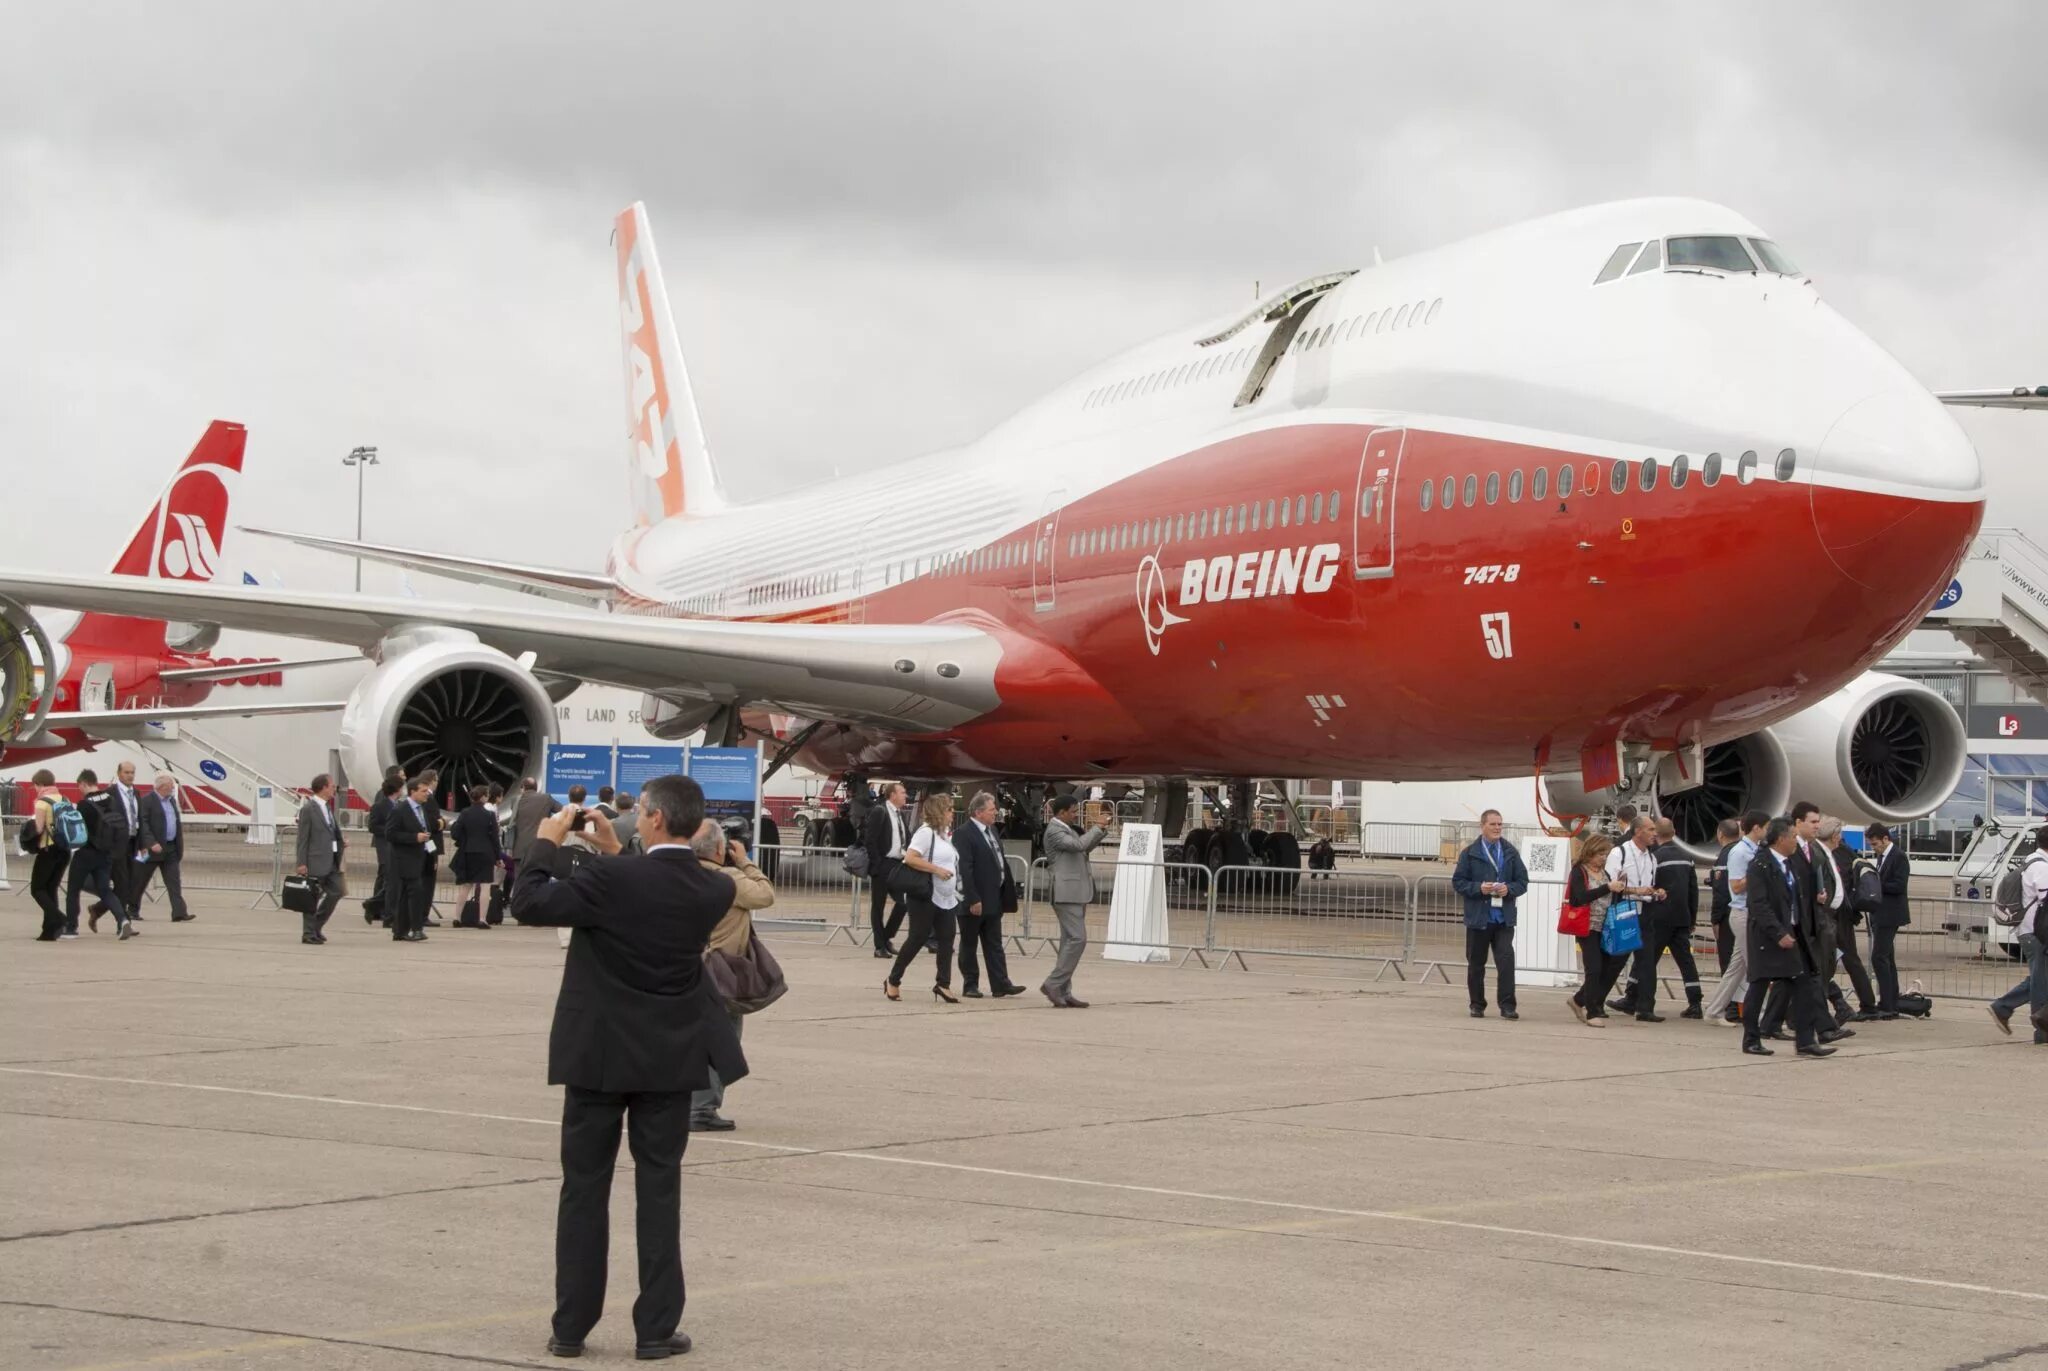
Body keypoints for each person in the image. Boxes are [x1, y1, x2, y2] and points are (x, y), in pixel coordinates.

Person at [511, 774, 743, 1361]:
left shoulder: (609, 880)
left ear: (657, 818)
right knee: (660, 1191)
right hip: (669, 1058)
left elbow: (529, 902)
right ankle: (656, 1328)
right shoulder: (713, 888)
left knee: (584, 1189)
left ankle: (571, 1326)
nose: (636, 817)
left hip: (598, 1055)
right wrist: (616, 854)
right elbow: (653, 890)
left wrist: (547, 840)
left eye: (641, 810)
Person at [688, 818, 778, 1131]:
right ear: (718, 849)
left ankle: (684, 1103)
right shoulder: (728, 880)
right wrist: (744, 862)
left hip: (685, 967)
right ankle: (701, 1109)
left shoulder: (682, 875)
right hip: (720, 969)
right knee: (721, 1039)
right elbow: (764, 895)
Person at [1741, 817, 1833, 1058]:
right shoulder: (1760, 865)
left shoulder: (1790, 864)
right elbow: (1758, 904)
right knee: (1758, 986)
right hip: (1767, 937)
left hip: (1793, 934)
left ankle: (1806, 1041)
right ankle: (1751, 1039)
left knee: (1804, 985)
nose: (1795, 841)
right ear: (1781, 839)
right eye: (1793, 836)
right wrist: (1778, 932)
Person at [1614, 818, 1702, 1021]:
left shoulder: (1654, 858)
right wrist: (1692, 918)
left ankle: (1631, 997)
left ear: (1657, 834)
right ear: (1674, 832)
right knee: (1686, 962)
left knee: (1646, 960)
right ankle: (1695, 1002)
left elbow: (1650, 886)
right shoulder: (1687, 857)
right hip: (1681, 917)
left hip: (1659, 917)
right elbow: (1693, 890)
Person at [884, 793, 962, 1004]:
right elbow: (910, 858)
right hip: (925, 895)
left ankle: (943, 984)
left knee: (947, 939)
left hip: (946, 897)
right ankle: (893, 979)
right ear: (938, 812)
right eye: (949, 809)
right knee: (917, 938)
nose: (953, 813)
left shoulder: (944, 835)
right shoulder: (925, 833)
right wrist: (936, 869)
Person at [1451, 808, 1528, 1019]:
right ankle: (1477, 1004)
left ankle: (1507, 1005)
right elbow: (1458, 882)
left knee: (1506, 963)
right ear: (1482, 826)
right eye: (1493, 824)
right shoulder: (1470, 853)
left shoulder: (1510, 852)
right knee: (1476, 964)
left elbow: (1522, 881)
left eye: (1500, 824)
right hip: (1479, 918)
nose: (1497, 828)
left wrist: (1509, 889)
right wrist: (1478, 888)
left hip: (1503, 919)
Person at [1040, 792, 1109, 1008]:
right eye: (1073, 811)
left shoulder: (1066, 829)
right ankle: (1053, 983)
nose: (1076, 814)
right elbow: (1078, 845)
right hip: (1065, 892)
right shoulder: (1054, 830)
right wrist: (1097, 827)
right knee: (1078, 939)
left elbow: (1083, 847)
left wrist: (1100, 831)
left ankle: (1063, 990)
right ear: (1061, 813)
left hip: (1075, 891)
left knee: (1068, 942)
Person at [953, 790, 1024, 999]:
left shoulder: (992, 831)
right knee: (969, 944)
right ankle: (970, 984)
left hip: (993, 898)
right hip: (974, 899)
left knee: (994, 943)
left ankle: (1000, 983)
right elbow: (964, 868)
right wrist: (972, 898)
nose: (996, 813)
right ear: (978, 812)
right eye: (992, 810)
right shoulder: (963, 834)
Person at [1704, 811, 1770, 1025]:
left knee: (1736, 968)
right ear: (1756, 828)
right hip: (1742, 913)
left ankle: (1714, 1011)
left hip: (1750, 913)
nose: (1768, 831)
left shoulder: (1756, 850)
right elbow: (1736, 886)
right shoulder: (1740, 852)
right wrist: (1756, 874)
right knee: (1757, 966)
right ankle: (1766, 1014)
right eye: (1766, 827)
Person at [1985, 824, 2047, 1045]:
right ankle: (2042, 1033)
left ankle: (2003, 1007)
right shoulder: (2041, 867)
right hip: (2037, 932)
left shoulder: (2032, 861)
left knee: (2040, 978)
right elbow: (2046, 898)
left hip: (2030, 931)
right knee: (2041, 983)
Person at [1820, 817, 1878, 1021]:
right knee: (1849, 960)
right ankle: (1864, 1004)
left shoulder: (1834, 854)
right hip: (1842, 913)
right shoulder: (1847, 852)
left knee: (1825, 962)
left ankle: (1852, 1004)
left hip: (1836, 915)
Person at [1565, 833, 1624, 1026]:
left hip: (1605, 925)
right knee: (1594, 968)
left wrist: (1618, 887)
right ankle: (1592, 1012)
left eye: (1605, 854)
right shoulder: (1579, 871)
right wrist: (1607, 887)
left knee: (1606, 966)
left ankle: (1578, 1000)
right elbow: (1580, 897)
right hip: (1587, 926)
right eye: (1600, 854)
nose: (1603, 858)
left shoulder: (1604, 872)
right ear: (1590, 852)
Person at [68, 769, 135, 940]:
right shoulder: (111, 800)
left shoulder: (84, 805)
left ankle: (71, 927)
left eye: (79, 786)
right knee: (105, 890)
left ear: (84, 783)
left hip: (86, 852)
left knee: (73, 889)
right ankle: (122, 920)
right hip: (106, 853)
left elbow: (80, 831)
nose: (79, 790)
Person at [294, 773, 348, 943]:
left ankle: (316, 925)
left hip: (331, 860)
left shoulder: (327, 808)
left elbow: (331, 833)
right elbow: (302, 838)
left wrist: (340, 843)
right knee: (312, 898)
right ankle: (308, 934)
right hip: (315, 860)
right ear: (323, 788)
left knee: (337, 891)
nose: (334, 789)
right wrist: (301, 863)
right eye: (332, 786)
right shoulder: (309, 809)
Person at [87, 760, 144, 924]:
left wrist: (143, 844)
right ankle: (124, 922)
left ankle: (98, 909)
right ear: (119, 773)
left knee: (129, 884)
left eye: (132, 772)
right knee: (123, 884)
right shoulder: (109, 793)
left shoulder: (136, 793)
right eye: (127, 772)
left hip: (133, 844)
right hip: (116, 846)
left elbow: (139, 819)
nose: (130, 776)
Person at [382, 777, 438, 942]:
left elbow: (426, 833)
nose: (426, 794)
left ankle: (400, 930)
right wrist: (414, 837)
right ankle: (417, 929)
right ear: (412, 791)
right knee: (415, 893)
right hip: (405, 859)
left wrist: (432, 854)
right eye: (423, 791)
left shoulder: (422, 809)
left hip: (421, 858)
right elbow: (390, 834)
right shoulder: (400, 810)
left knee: (406, 896)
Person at [1864, 823, 1911, 1018]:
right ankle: (1891, 1001)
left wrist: (1876, 884)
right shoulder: (1882, 857)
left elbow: (1899, 885)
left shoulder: (1898, 857)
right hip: (1881, 913)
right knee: (1887, 958)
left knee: (1879, 957)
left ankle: (1887, 1003)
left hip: (1890, 914)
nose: (1874, 848)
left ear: (1885, 839)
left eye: (1875, 844)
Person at [134, 774, 194, 922]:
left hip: (170, 848)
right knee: (139, 880)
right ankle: (132, 910)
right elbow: (143, 824)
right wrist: (151, 842)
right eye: (170, 786)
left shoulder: (171, 801)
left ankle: (179, 912)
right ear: (162, 787)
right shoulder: (147, 801)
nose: (173, 788)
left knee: (174, 881)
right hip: (149, 849)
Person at [25, 769, 75, 941]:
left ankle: (59, 918)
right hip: (65, 849)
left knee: (37, 889)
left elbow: (39, 829)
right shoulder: (64, 799)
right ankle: (49, 931)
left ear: (39, 784)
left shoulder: (42, 802)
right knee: (51, 888)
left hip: (48, 849)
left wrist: (27, 832)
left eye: (35, 785)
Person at [862, 782, 911, 958]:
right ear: (892, 795)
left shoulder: (900, 814)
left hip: (898, 864)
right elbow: (870, 839)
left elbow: (906, 837)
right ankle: (879, 946)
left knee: (904, 902)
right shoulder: (880, 811)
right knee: (878, 906)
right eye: (902, 792)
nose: (906, 795)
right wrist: (877, 863)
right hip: (883, 864)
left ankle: (886, 936)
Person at [450, 784, 503, 928]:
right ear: (484, 797)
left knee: (466, 886)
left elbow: (455, 833)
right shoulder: (490, 815)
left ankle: (457, 917)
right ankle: (482, 919)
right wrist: (498, 857)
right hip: (486, 853)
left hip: (468, 852)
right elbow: (494, 839)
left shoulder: (465, 813)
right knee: (485, 886)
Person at [365, 772, 404, 926]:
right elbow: (373, 826)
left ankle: (374, 905)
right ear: (397, 789)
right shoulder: (379, 806)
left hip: (396, 848)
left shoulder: (399, 805)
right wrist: (390, 831)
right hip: (385, 846)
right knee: (388, 880)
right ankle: (385, 912)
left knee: (391, 882)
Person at [1706, 817, 1741, 974]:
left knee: (1728, 962)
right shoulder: (1743, 852)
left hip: (1728, 916)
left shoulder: (1726, 855)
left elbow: (1721, 892)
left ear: (1720, 834)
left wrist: (1715, 919)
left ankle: (1730, 991)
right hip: (1744, 913)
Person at [418, 768, 447, 926]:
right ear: (431, 781)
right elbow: (432, 823)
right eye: (436, 780)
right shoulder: (428, 799)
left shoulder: (425, 798)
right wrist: (442, 822)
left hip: (427, 844)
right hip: (430, 845)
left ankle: (421, 913)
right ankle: (423, 914)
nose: (437, 783)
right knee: (428, 881)